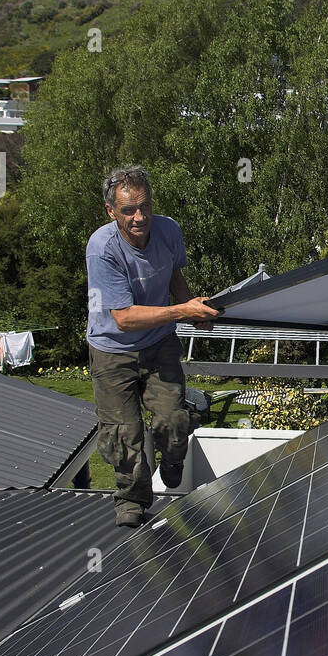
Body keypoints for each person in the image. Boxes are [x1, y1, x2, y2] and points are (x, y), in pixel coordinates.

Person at [85, 165, 222, 527]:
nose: (139, 217)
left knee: (174, 421)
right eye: (128, 210)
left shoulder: (168, 230)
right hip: (113, 350)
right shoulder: (102, 249)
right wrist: (182, 311)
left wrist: (194, 309)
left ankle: (174, 456)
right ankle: (131, 500)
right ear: (111, 211)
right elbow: (124, 318)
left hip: (159, 342)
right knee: (122, 434)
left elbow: (174, 274)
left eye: (144, 206)